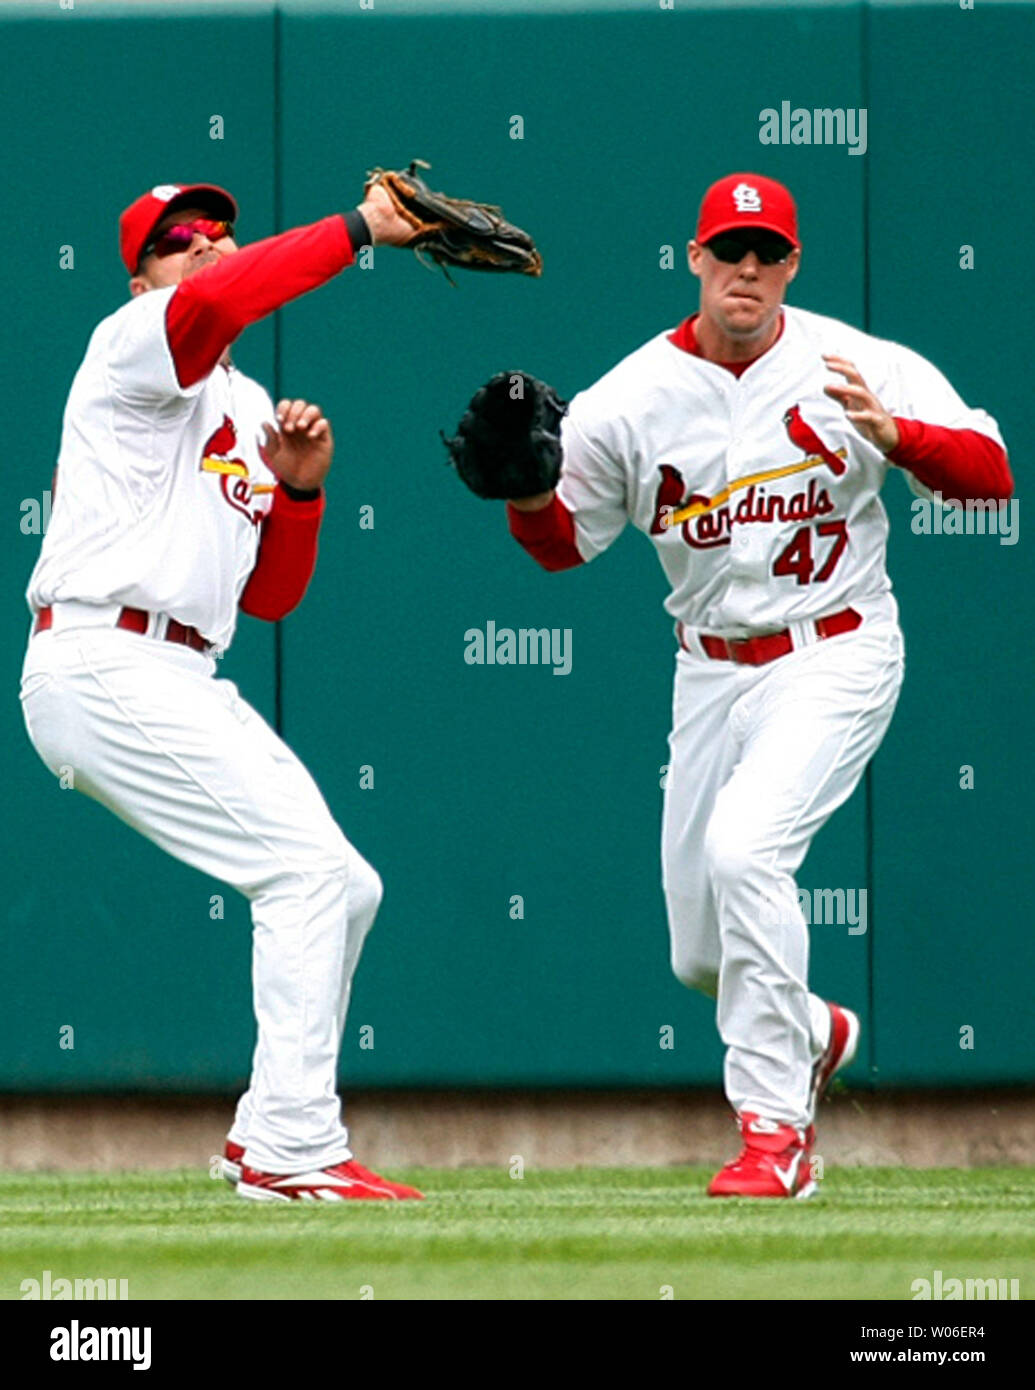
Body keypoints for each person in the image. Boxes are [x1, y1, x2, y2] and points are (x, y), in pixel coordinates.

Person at [503, 172, 1012, 1197]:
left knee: (746, 854)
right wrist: (522, 492)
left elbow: (992, 472)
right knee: (700, 952)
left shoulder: (853, 362)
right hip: (709, 669)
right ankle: (810, 1028)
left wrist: (901, 438)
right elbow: (565, 547)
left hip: (837, 650)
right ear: (694, 258)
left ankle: (775, 1131)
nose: (747, 269)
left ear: (792, 264)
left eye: (766, 252)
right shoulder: (630, 397)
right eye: (728, 250)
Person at [19, 178, 426, 1202]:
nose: (201, 246)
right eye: (174, 240)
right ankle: (294, 1147)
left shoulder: (247, 406)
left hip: (182, 664)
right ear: (140, 275)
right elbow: (216, 304)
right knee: (301, 877)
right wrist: (359, 231)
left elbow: (273, 598)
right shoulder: (129, 341)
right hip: (99, 655)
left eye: (216, 233)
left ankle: (266, 1131)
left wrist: (297, 493)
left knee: (347, 883)